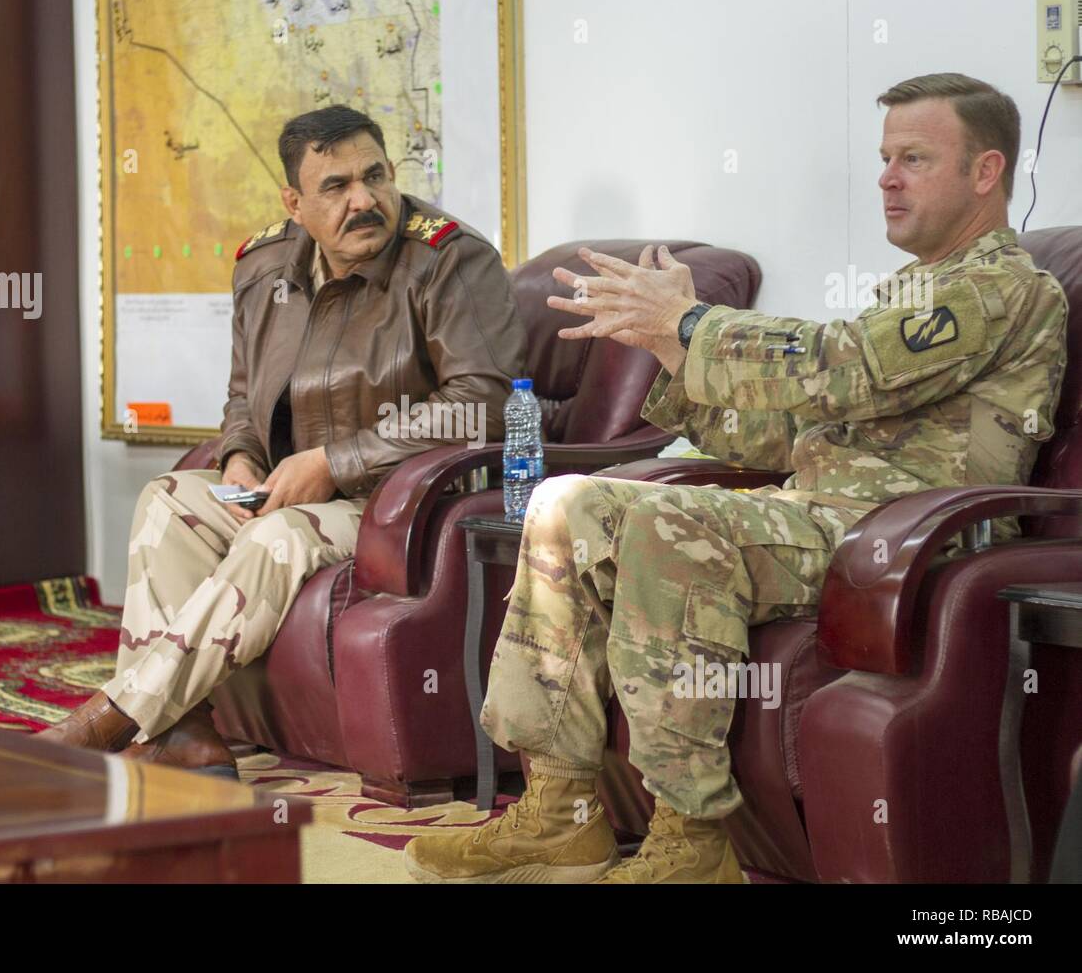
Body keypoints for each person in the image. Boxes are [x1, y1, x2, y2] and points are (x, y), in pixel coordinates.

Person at [405, 73, 1069, 883]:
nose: (888, 177)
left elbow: (844, 368)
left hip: (903, 534)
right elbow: (789, 430)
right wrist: (674, 352)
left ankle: (690, 837)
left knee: (668, 524)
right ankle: (559, 810)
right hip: (819, 514)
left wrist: (693, 322)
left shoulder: (1002, 289)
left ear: (986, 171)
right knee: (563, 504)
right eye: (886, 157)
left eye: (915, 158)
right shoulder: (911, 291)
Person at [40, 106, 528, 773]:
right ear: (294, 203)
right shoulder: (263, 267)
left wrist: (332, 462)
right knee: (167, 502)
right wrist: (240, 456)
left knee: (280, 536)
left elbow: (484, 402)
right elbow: (244, 393)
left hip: (403, 505)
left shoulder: (450, 261)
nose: (364, 200)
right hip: (292, 491)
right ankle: (184, 732)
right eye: (336, 187)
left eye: (374, 176)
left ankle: (113, 717)